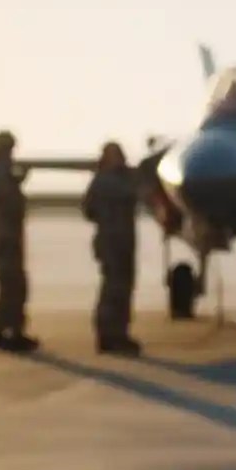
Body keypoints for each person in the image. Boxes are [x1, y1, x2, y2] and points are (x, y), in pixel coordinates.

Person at [81, 141, 143, 356]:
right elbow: (133, 193)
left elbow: (88, 210)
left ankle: (115, 335)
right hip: (115, 243)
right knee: (115, 290)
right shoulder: (115, 181)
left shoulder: (99, 180)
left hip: (115, 241)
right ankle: (111, 336)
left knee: (119, 289)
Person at [0, 130, 39, 353]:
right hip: (7, 236)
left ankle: (6, 330)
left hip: (8, 234)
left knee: (12, 285)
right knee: (13, 285)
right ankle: (7, 331)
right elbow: (6, 197)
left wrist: (19, 177)